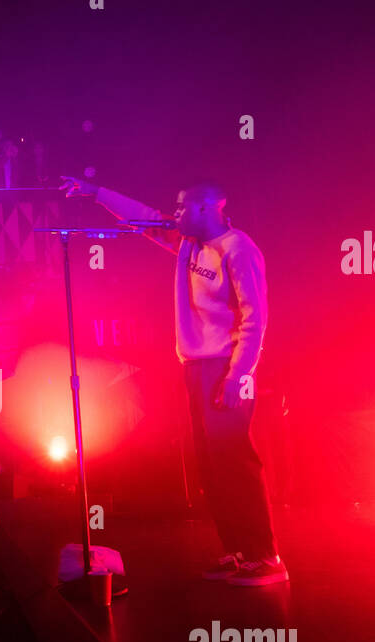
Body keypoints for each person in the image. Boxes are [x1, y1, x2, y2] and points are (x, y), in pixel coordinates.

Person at [60, 175, 287, 586]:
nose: (175, 214)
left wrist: (239, 376)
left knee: (235, 462)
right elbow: (142, 218)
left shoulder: (238, 249)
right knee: (212, 467)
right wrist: (96, 192)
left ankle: (266, 556)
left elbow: (255, 319)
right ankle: (238, 552)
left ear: (206, 208)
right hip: (196, 367)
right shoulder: (186, 244)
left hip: (226, 365)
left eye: (182, 208)